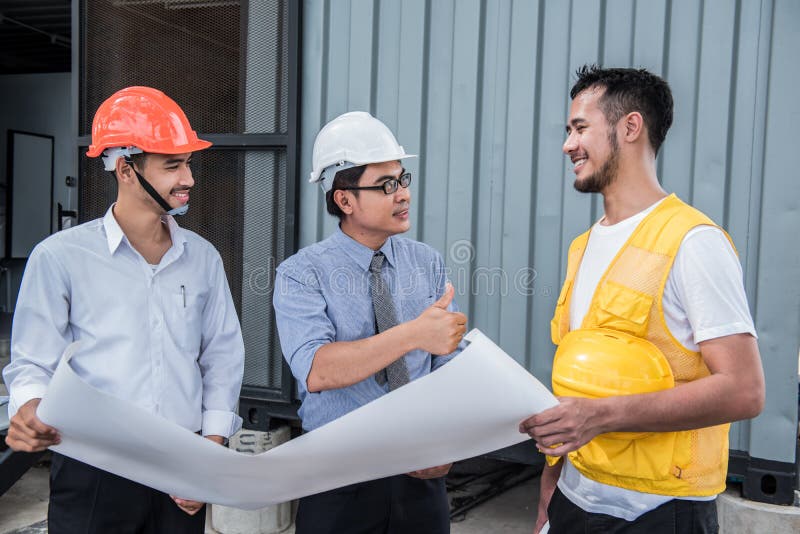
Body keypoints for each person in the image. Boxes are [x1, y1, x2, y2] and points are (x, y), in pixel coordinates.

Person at [518, 66, 765, 533]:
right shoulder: (583, 246)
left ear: (630, 127)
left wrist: (601, 416)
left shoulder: (693, 242)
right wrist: (550, 485)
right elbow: (581, 380)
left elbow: (745, 389)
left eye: (579, 128)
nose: (568, 145)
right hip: (575, 497)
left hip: (657, 513)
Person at [3, 86, 245, 533]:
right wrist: (30, 408)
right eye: (173, 165)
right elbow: (33, 362)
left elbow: (222, 358)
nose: (189, 178)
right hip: (94, 468)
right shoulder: (60, 257)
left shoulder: (204, 257)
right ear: (125, 168)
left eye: (189, 163)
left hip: (181, 464)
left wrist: (209, 451)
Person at [273, 111, 467, 534]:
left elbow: (449, 364)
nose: (403, 195)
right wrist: (414, 333)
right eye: (386, 186)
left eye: (402, 179)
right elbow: (317, 369)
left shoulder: (426, 263)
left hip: (420, 475)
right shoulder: (301, 273)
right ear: (344, 200)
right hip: (339, 478)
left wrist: (448, 443)